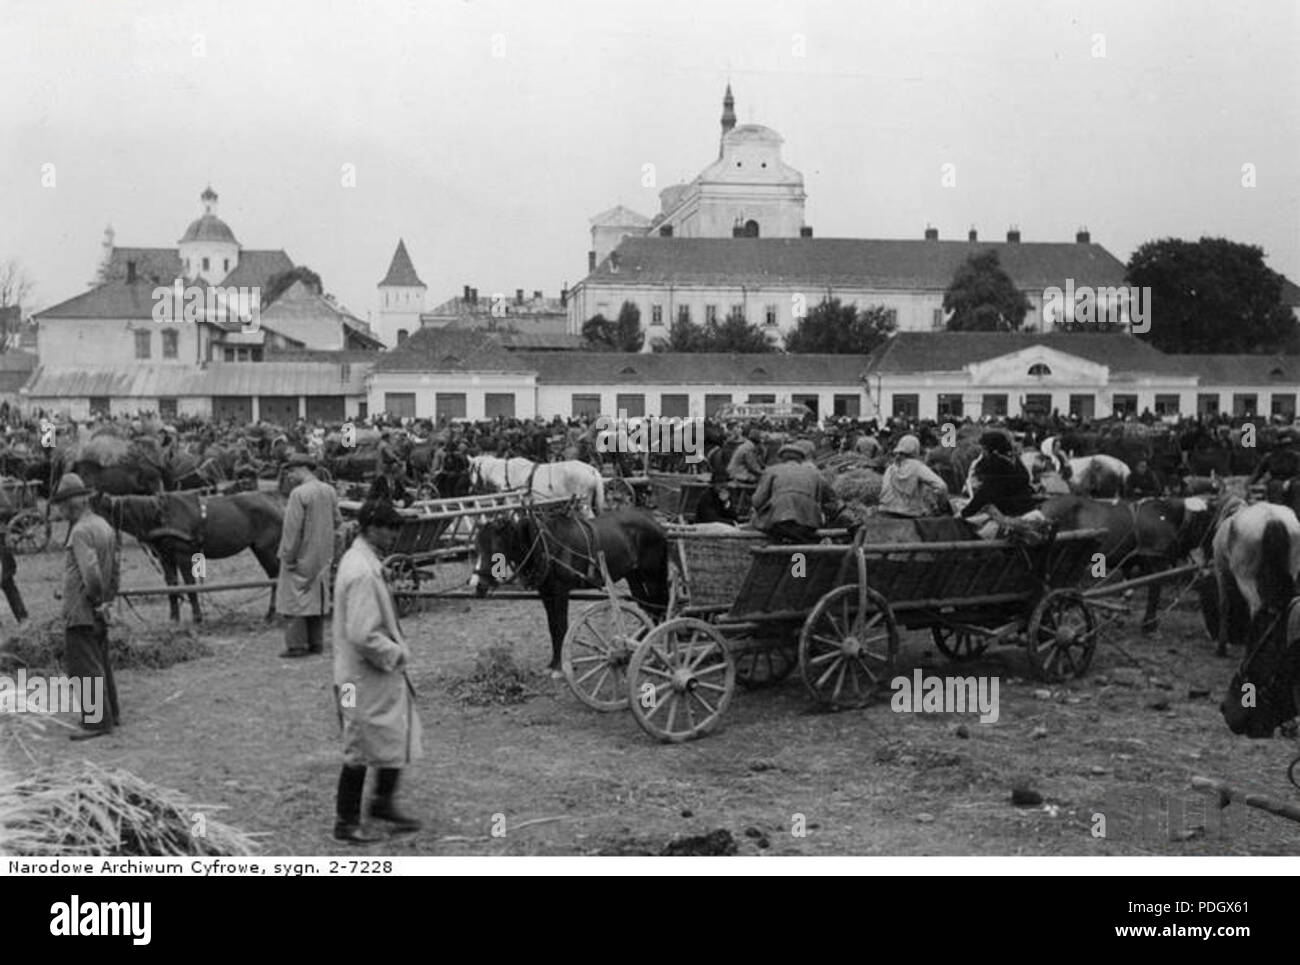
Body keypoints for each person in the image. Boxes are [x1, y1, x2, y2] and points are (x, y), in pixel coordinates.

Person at [332, 499, 423, 843]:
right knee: (359, 745)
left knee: (393, 733)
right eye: (389, 528)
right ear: (371, 528)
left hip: (369, 673)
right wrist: (396, 653)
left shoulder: (364, 560)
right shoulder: (361, 571)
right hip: (360, 675)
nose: (394, 535)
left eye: (396, 528)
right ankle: (346, 821)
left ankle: (383, 803)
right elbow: (362, 633)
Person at [51, 473, 120, 740]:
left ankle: (96, 722)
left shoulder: (80, 531)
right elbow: (113, 569)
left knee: (83, 666)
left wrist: (95, 600)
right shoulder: (104, 525)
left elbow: (90, 574)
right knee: (101, 661)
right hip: (99, 608)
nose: (60, 510)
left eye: (61, 505)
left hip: (82, 611)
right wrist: (107, 602)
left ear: (72, 504)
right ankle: (111, 712)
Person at [277, 457, 341, 658]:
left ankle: (296, 645)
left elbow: (292, 530)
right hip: (323, 555)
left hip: (302, 555)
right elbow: (337, 520)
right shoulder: (329, 490)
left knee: (293, 599)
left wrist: (287, 556)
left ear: (302, 469)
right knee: (317, 597)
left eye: (291, 472)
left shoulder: (299, 494)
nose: (290, 476)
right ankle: (316, 642)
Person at [751, 440, 838, 543]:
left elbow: (757, 501)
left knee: (762, 521)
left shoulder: (771, 470)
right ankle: (798, 555)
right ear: (801, 459)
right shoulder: (815, 473)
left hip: (778, 521)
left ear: (781, 458)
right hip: (809, 523)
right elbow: (832, 500)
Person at [962, 432, 1038, 519]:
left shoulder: (996, 464)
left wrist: (964, 513)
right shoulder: (1014, 459)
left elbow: (984, 494)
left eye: (984, 449)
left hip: (1011, 511)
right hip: (1026, 505)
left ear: (992, 449)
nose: (983, 452)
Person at [877, 434, 949, 518]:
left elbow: (884, 491)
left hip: (886, 512)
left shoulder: (890, 468)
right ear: (916, 449)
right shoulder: (917, 467)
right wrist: (942, 505)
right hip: (909, 514)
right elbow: (942, 487)